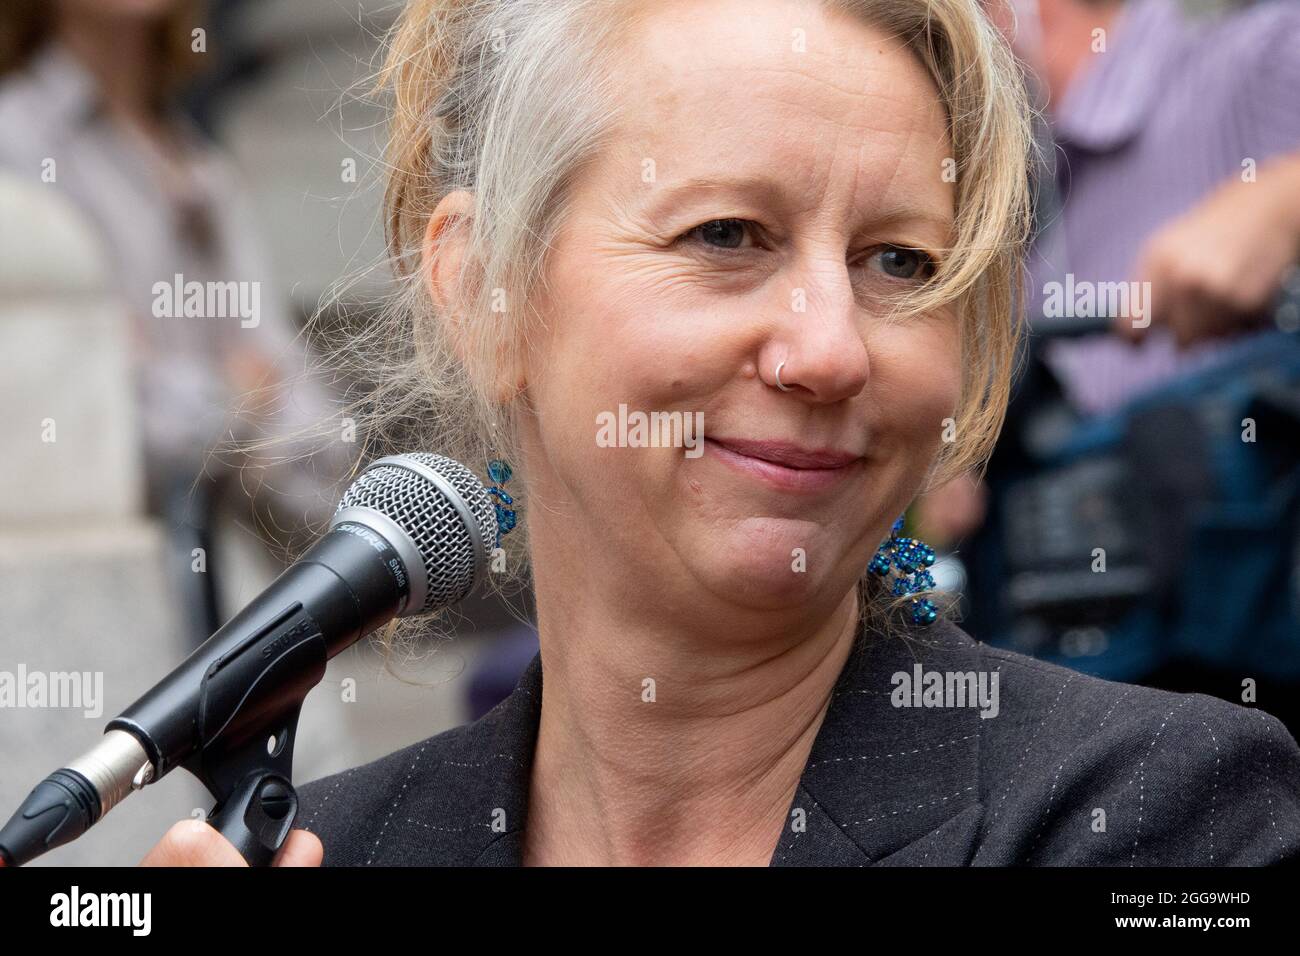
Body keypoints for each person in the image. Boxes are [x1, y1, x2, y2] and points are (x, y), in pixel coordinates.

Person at [140, 0, 1300, 867]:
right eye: (727, 235)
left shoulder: (1157, 811)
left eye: (903, 262)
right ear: (483, 289)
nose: (830, 348)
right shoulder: (339, 848)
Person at [0, 0, 344, 646]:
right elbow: (98, 420)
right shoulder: (14, 147)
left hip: (232, 598)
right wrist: (239, 397)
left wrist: (180, 388)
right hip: (90, 619)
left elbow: (320, 447)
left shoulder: (200, 168)